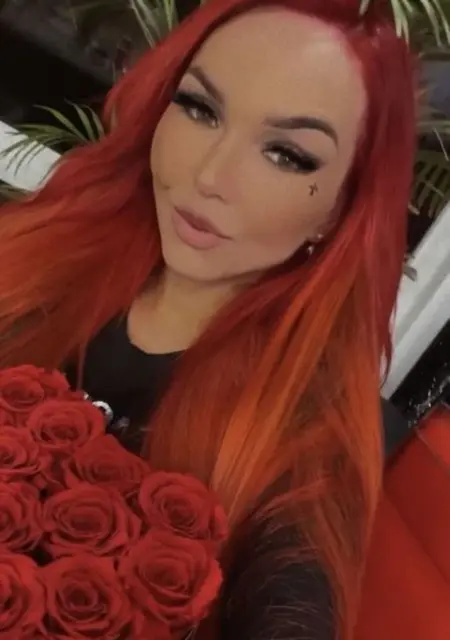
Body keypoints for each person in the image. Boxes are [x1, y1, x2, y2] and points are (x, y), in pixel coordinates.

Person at [0, 0, 416, 638]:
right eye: (200, 108)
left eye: (286, 154)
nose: (210, 175)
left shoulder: (312, 425)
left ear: (337, 209)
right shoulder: (44, 253)